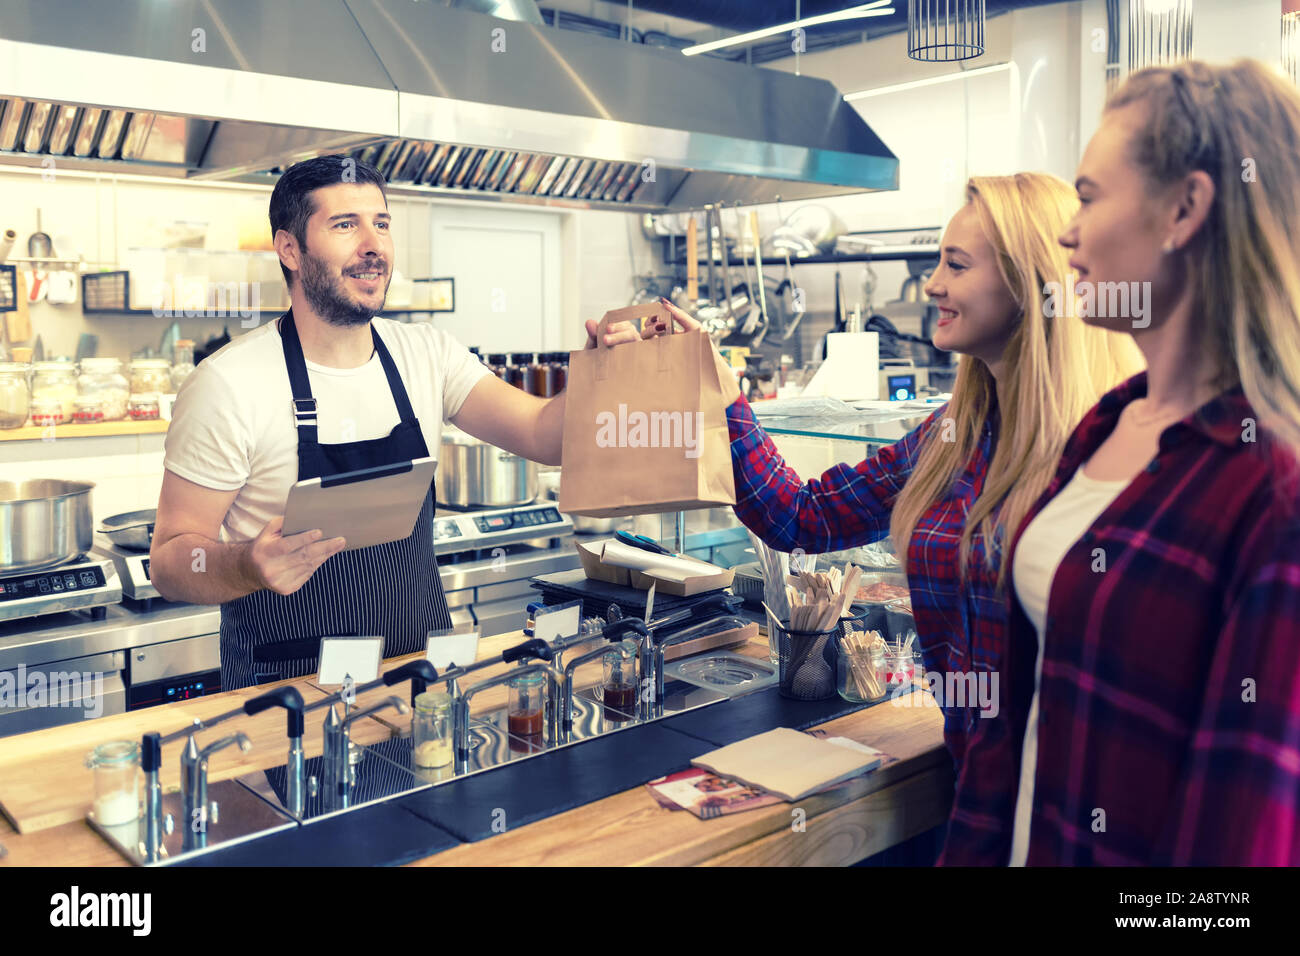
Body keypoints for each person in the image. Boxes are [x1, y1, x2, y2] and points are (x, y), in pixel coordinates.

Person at [649, 173, 1142, 862]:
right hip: (974, 788)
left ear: (1032, 286)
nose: (933, 284)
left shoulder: (1112, 446)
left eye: (956, 265)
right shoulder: (956, 434)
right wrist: (723, 393)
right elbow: (804, 517)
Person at [149, 155, 638, 690]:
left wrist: (600, 370)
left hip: (423, 682)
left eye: (381, 223)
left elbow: (545, 435)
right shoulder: (228, 383)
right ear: (289, 248)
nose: (373, 245)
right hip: (291, 695)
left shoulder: (426, 353)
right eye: (345, 225)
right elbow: (171, 562)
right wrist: (245, 564)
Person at [1000, 59, 1300, 865]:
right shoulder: (1104, 427)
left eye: (1090, 197)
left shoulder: (1272, 489)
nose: (1068, 231)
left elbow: (1238, 850)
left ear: (1185, 207)